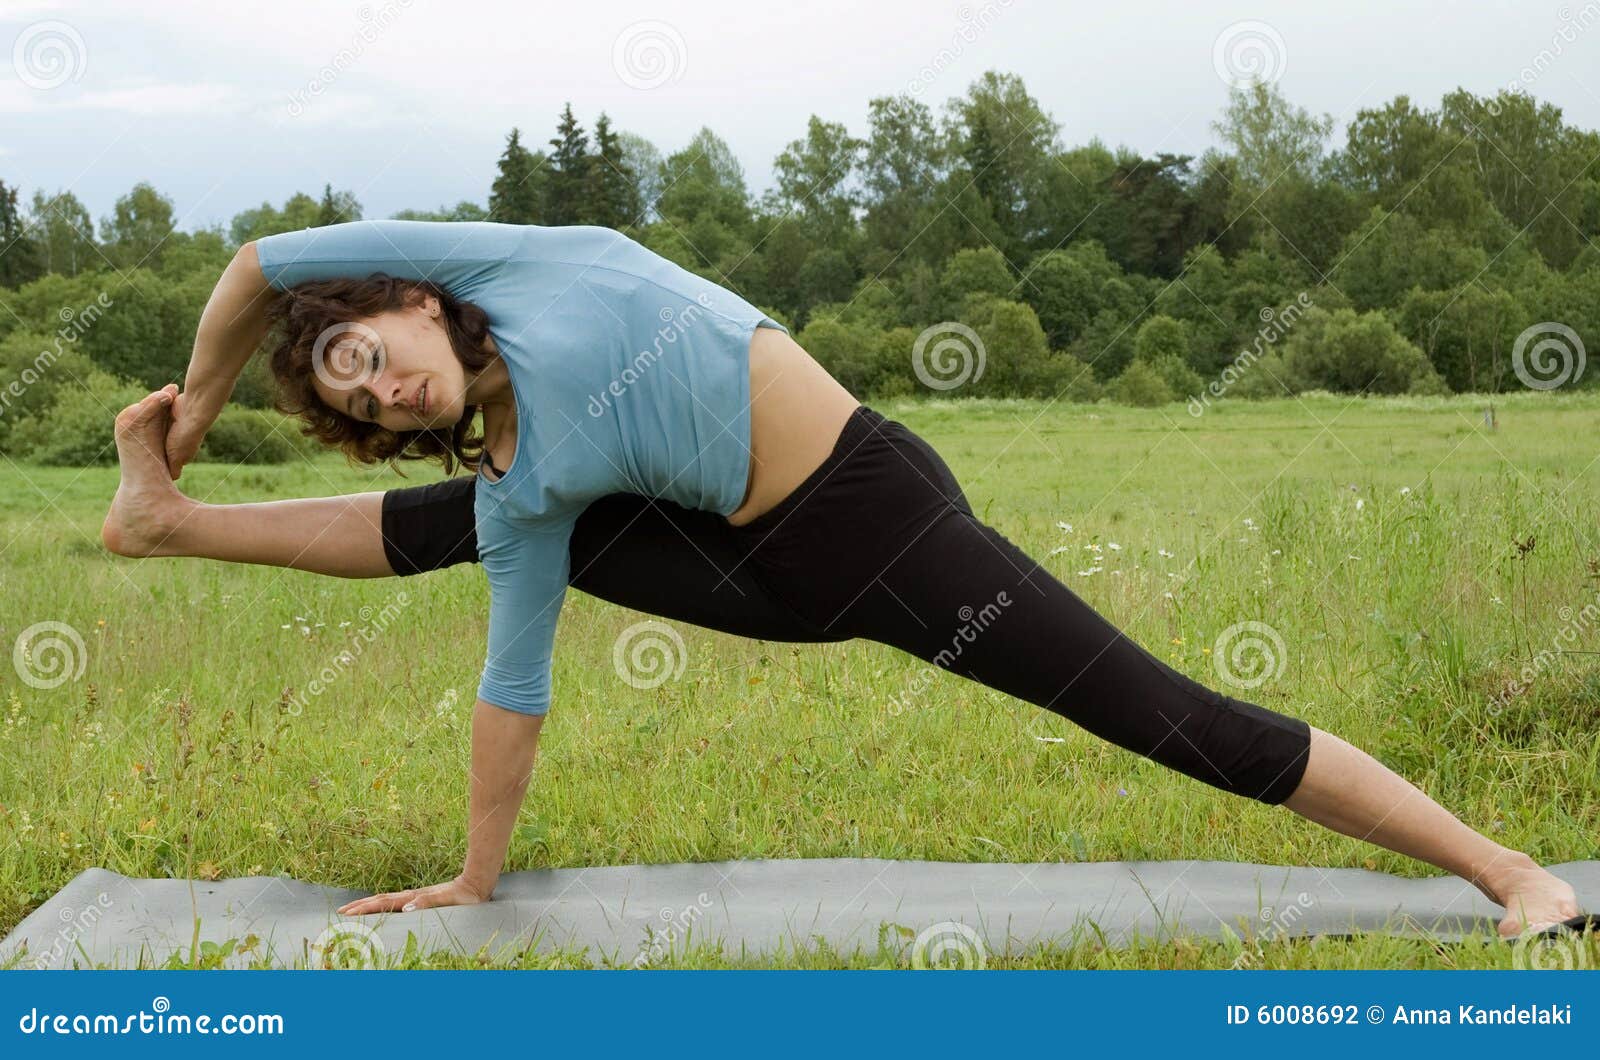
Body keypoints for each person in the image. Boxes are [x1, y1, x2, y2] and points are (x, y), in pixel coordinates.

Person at [102, 219, 1582, 937]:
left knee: (1167, 716)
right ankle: (165, 529)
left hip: (876, 531)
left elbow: (256, 264)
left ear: (412, 297)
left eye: (368, 358)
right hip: (744, 568)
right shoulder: (524, 469)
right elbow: (514, 682)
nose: (382, 394)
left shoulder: (506, 256)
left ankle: (1510, 875)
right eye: (357, 409)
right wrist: (476, 878)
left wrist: (199, 407)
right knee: (490, 521)